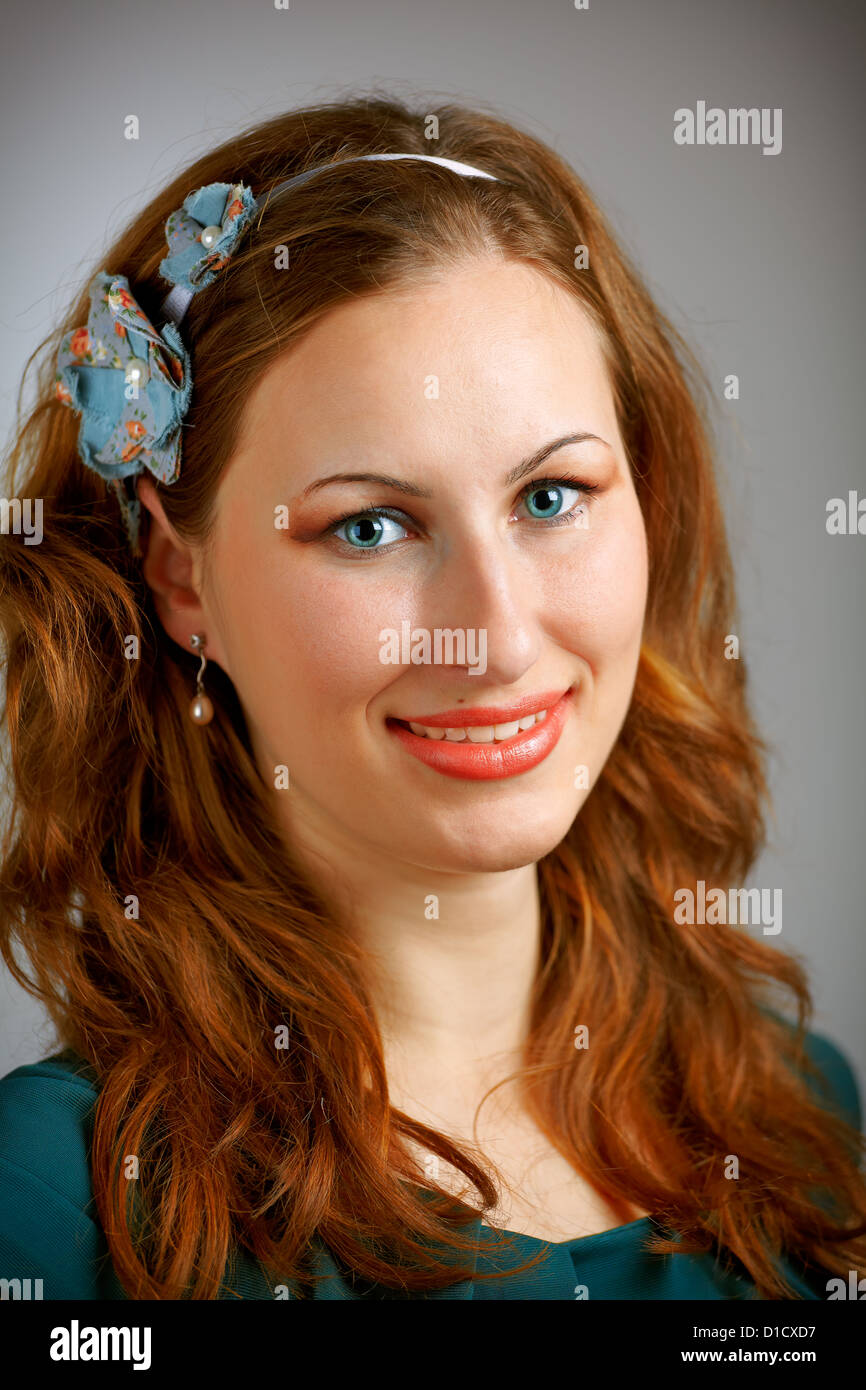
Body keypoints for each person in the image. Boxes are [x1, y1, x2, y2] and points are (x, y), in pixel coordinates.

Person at [0, 93, 863, 1301]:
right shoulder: (53, 1206)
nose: (499, 637)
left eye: (551, 497)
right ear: (181, 577)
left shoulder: (800, 1107)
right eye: (369, 524)